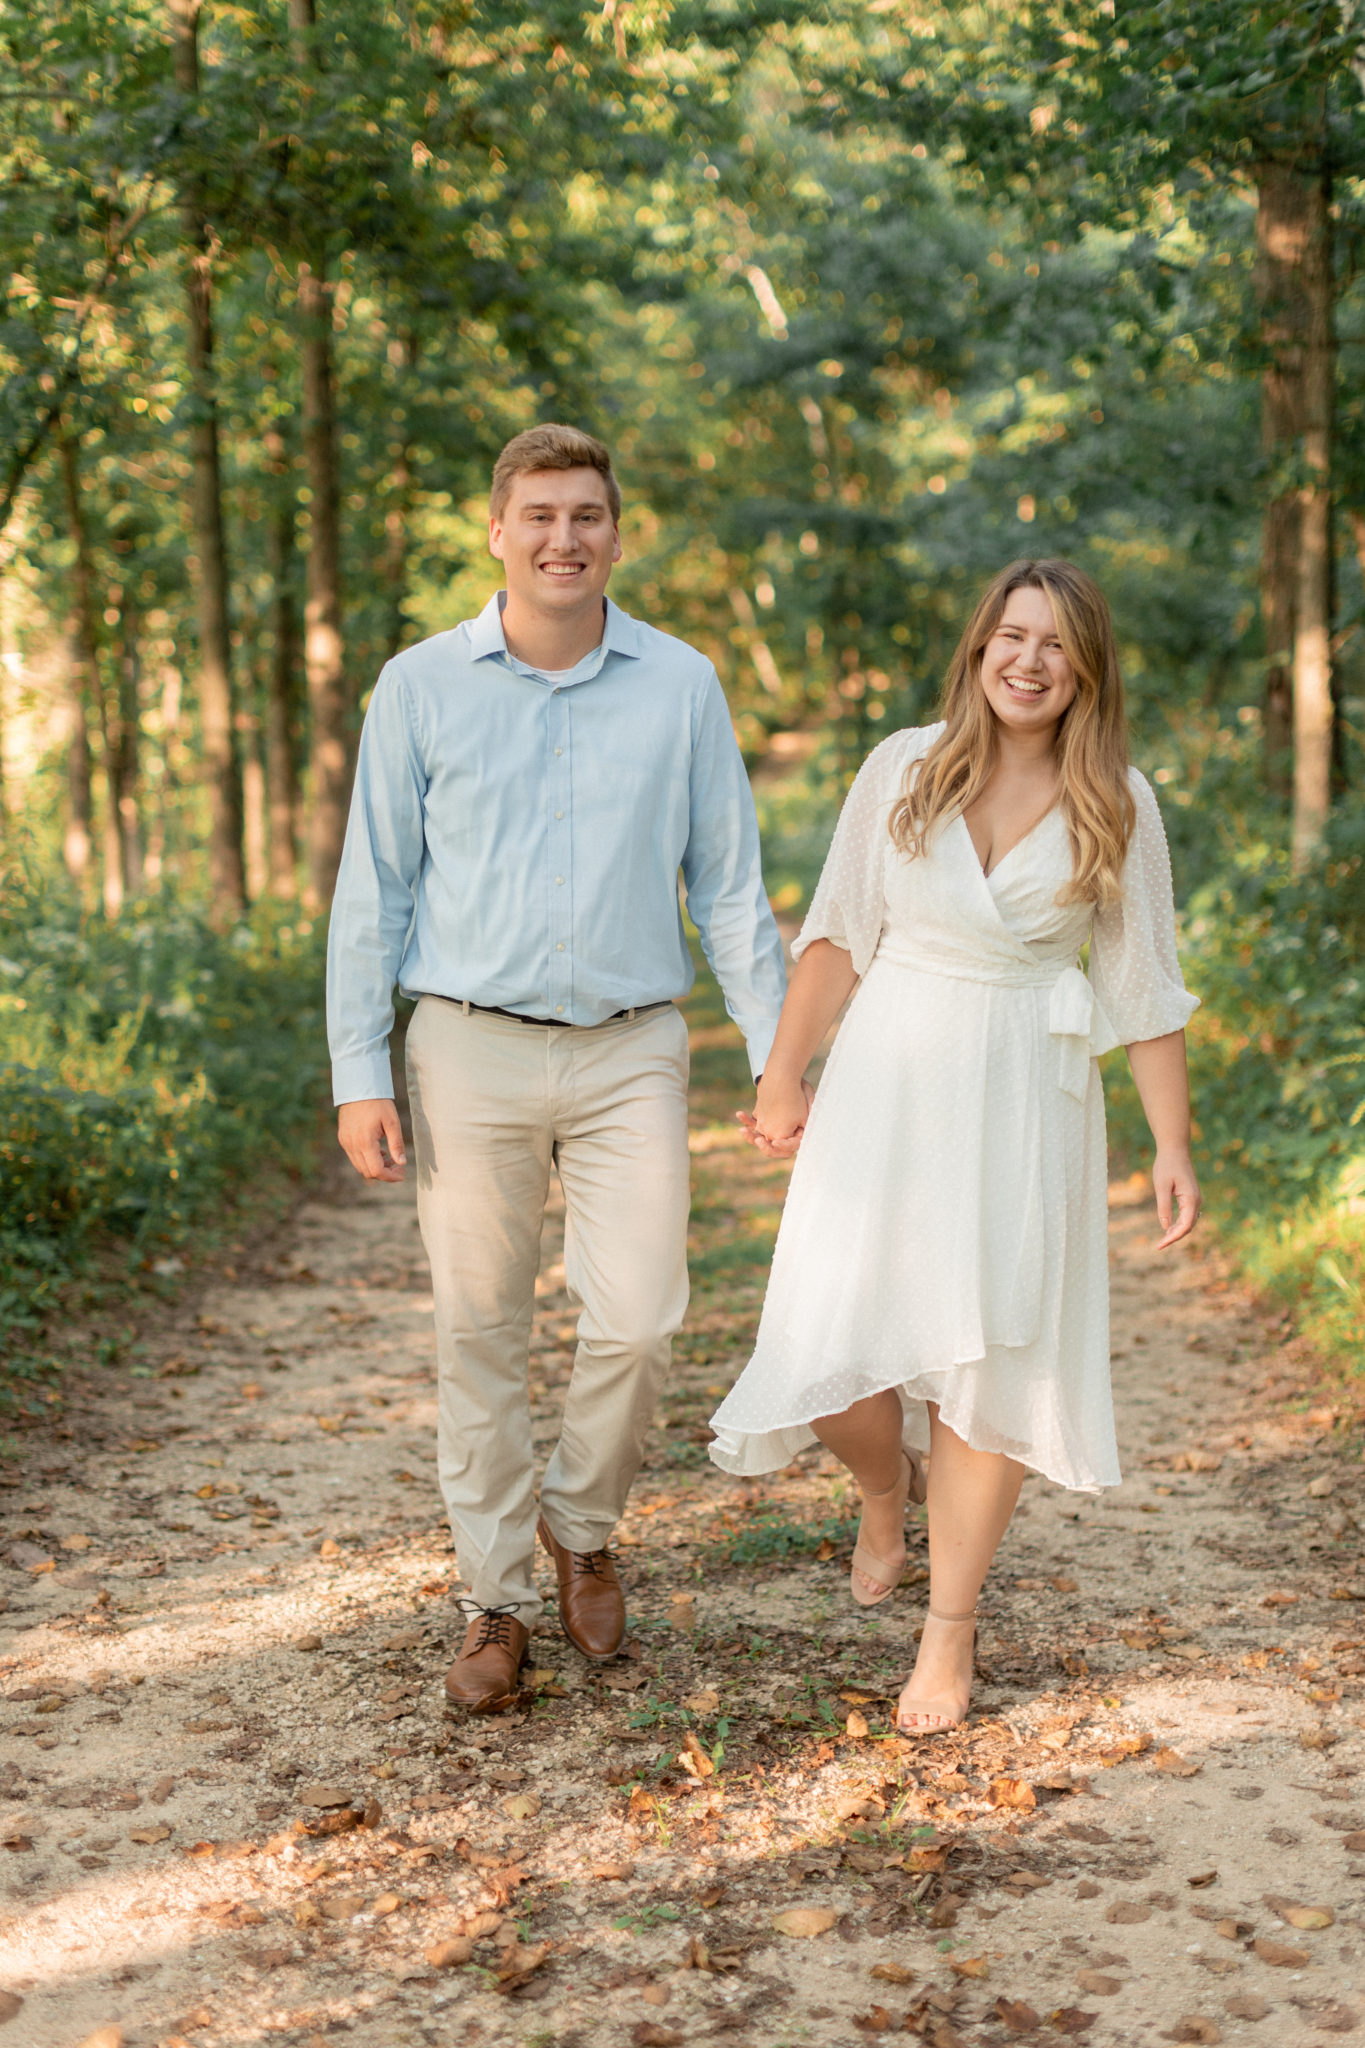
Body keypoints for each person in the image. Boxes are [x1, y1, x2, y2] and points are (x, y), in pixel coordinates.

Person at [327, 423, 785, 1711]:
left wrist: (777, 1057)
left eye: (586, 514)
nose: (562, 538)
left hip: (633, 1044)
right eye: (539, 514)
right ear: (497, 532)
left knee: (641, 1313)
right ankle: (494, 1600)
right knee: (478, 1330)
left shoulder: (682, 683)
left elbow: (730, 889)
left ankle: (580, 1525)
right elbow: (375, 887)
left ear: (616, 534)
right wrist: (360, 1067)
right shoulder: (419, 685)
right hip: (467, 1044)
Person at [709, 558, 1199, 1733]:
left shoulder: (1117, 801)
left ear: (1087, 670)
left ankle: (949, 1627)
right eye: (1011, 637)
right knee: (830, 1353)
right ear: (980, 648)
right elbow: (838, 933)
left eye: (1057, 644)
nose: (1030, 661)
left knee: (991, 1365)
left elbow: (1145, 986)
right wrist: (783, 1074)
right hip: (887, 1081)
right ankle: (886, 1488)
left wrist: (1171, 1143)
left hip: (1026, 1093)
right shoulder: (904, 766)